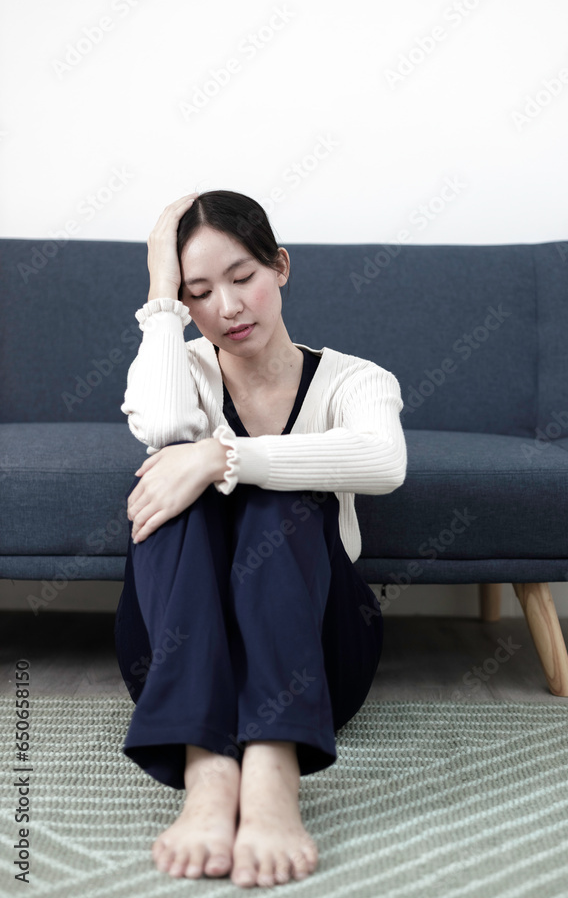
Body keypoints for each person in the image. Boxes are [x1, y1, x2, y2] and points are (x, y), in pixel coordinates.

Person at [115, 190, 407, 888]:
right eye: (198, 292)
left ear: (280, 266)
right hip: (178, 656)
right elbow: (162, 425)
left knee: (280, 489)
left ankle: (275, 768)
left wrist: (223, 457)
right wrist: (160, 299)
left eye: (243, 277)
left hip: (317, 655)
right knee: (170, 468)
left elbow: (383, 463)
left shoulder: (353, 379)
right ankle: (208, 772)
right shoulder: (182, 368)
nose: (227, 307)